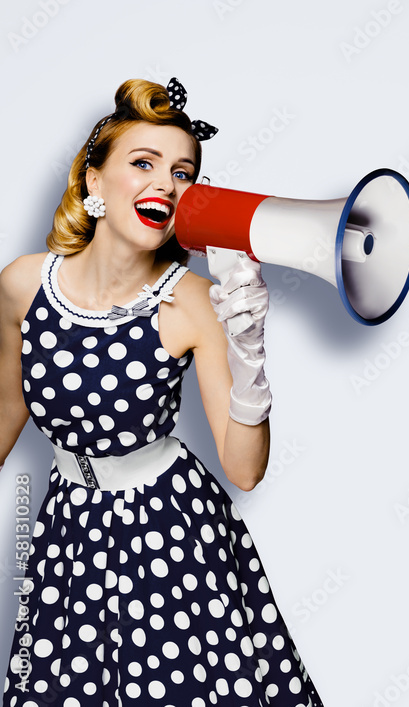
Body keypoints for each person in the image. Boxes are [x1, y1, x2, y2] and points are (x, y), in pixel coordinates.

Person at [0, 78, 324, 705]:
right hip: (70, 532)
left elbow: (244, 468)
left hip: (170, 529)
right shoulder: (21, 285)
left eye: (183, 172)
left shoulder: (194, 300)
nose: (167, 185)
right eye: (143, 163)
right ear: (93, 180)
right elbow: (7, 411)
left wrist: (250, 352)